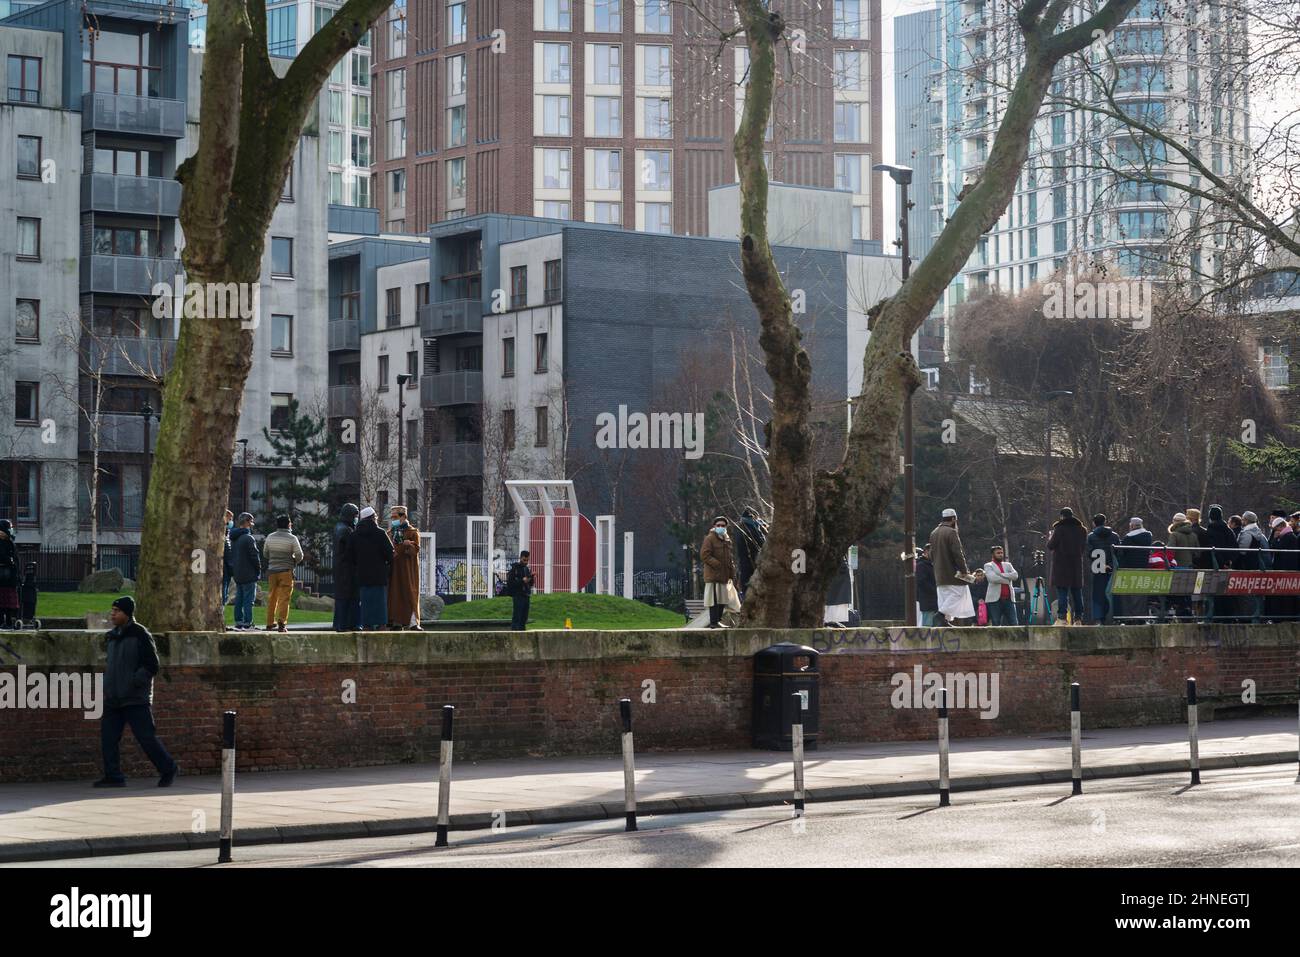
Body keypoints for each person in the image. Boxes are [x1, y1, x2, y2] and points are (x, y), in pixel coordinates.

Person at [94, 597, 178, 789]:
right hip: (114, 697)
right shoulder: (112, 636)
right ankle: (113, 775)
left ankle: (168, 768)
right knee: (108, 738)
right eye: (112, 610)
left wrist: (134, 682)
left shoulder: (140, 634)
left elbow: (152, 665)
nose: (113, 614)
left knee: (146, 738)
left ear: (127, 613)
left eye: (117, 611)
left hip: (135, 698)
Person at [929, 508, 977, 625]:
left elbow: (931, 554)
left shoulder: (934, 532)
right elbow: (957, 553)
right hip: (951, 573)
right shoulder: (951, 532)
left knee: (944, 597)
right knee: (959, 592)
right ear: (953, 519)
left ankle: (944, 620)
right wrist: (964, 570)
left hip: (938, 573)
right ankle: (940, 615)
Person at [352, 506, 394, 630]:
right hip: (379, 573)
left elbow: (351, 554)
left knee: (366, 601)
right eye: (375, 517)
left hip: (362, 573)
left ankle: (367, 624)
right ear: (372, 518)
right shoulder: (380, 533)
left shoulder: (355, 534)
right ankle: (381, 624)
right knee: (380, 601)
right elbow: (390, 553)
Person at [262, 514, 303, 633]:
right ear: (289, 524)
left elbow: (265, 553)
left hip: (272, 571)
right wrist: (293, 560)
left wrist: (274, 559)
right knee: (284, 598)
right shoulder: (292, 538)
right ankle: (281, 623)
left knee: (272, 597)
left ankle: (269, 623)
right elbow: (299, 555)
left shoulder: (270, 537)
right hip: (286, 571)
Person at [1047, 506, 1087, 624]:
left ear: (1062, 516)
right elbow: (1083, 547)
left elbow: (1051, 545)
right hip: (1076, 565)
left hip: (1061, 565)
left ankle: (1062, 618)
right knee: (1077, 592)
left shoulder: (1059, 529)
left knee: (1062, 592)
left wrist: (1050, 537)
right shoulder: (1082, 529)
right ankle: (1079, 618)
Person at [700, 516, 740, 629]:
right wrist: (717, 564)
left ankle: (717, 620)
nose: (721, 527)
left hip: (724, 576)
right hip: (713, 575)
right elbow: (704, 555)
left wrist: (732, 573)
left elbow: (729, 559)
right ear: (714, 526)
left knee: (722, 600)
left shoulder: (726, 540)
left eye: (723, 525)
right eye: (718, 525)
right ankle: (713, 622)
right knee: (714, 600)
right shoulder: (709, 538)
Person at [1115, 518, 1153, 622]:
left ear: (1132, 526)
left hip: (1129, 568)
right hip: (1144, 567)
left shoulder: (1128, 538)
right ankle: (1141, 617)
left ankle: (1129, 618)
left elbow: (1121, 553)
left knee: (1128, 594)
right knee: (1141, 594)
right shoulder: (1148, 536)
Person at [229, 512, 261, 630]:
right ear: (247, 522)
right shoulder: (248, 538)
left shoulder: (234, 538)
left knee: (239, 599)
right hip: (249, 573)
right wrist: (258, 570)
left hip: (238, 572)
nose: (252, 524)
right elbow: (254, 556)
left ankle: (239, 621)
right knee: (248, 600)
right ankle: (248, 622)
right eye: (251, 521)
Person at [1086, 514, 1120, 624]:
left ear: (1094, 523)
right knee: (1112, 592)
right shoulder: (1114, 536)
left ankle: (1099, 618)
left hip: (1098, 568)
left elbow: (1089, 552)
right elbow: (1118, 552)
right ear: (1105, 522)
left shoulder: (1091, 536)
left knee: (1098, 594)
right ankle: (1113, 616)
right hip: (1112, 568)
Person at [332, 503, 361, 632]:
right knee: (351, 597)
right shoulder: (347, 530)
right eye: (355, 515)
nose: (356, 518)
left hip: (340, 568)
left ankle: (339, 623)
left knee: (341, 597)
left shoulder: (339, 527)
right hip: (348, 569)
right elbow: (352, 551)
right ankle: (349, 623)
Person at [388, 525, 422, 629]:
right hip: (395, 571)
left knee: (410, 594)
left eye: (396, 516)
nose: (393, 519)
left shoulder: (413, 532)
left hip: (408, 570)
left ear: (403, 516)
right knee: (395, 595)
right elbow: (391, 550)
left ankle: (413, 622)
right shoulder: (390, 533)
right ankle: (396, 622)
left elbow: (414, 550)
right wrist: (404, 544)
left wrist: (406, 546)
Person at [1237, 511, 1269, 622]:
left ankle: (1247, 617)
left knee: (1248, 594)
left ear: (1246, 520)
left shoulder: (1246, 533)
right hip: (1259, 566)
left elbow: (1242, 551)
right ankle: (1258, 616)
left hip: (1248, 566)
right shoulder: (1260, 533)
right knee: (1257, 593)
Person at [1266, 516, 1299, 621]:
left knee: (1285, 596)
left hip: (1286, 569)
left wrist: (1275, 539)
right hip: (1286, 569)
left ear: (1281, 526)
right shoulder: (1288, 536)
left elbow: (1277, 549)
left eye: (1276, 529)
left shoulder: (1288, 537)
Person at [982, 545, 1020, 626]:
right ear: (993, 554)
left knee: (1014, 623)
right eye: (998, 553)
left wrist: (1000, 574)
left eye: (1001, 553)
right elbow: (992, 578)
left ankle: (1017, 639)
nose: (1000, 555)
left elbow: (1015, 576)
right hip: (995, 600)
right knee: (996, 623)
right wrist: (1008, 579)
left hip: (1009, 599)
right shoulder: (988, 565)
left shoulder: (1008, 565)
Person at [734, 507, 768, 596]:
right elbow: (761, 543)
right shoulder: (751, 528)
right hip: (752, 562)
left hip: (745, 563)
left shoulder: (741, 527)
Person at [505, 550, 535, 631]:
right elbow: (510, 583)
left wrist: (531, 578)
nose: (526, 562)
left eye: (527, 560)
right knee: (517, 617)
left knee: (524, 618)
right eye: (524, 560)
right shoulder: (514, 568)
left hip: (526, 595)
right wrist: (522, 580)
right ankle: (514, 633)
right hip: (518, 595)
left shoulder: (527, 569)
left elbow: (530, 584)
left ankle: (522, 633)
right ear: (520, 558)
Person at [0, 519, 19, 629]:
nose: (11, 529)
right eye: (10, 527)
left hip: (8, 575)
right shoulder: (3, 541)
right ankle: (5, 621)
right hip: (5, 575)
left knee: (5, 599)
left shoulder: (8, 540)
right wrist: (10, 560)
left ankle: (8, 620)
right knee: (4, 599)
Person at [915, 544, 939, 626]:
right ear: (926, 551)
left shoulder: (928, 565)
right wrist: (935, 590)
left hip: (931, 600)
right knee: (927, 626)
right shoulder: (922, 565)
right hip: (927, 600)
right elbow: (922, 582)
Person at [221, 509, 235, 612]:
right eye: (229, 519)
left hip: (226, 570)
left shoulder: (227, 535)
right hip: (224, 570)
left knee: (224, 594)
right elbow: (227, 553)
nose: (231, 521)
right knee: (222, 594)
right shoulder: (224, 536)